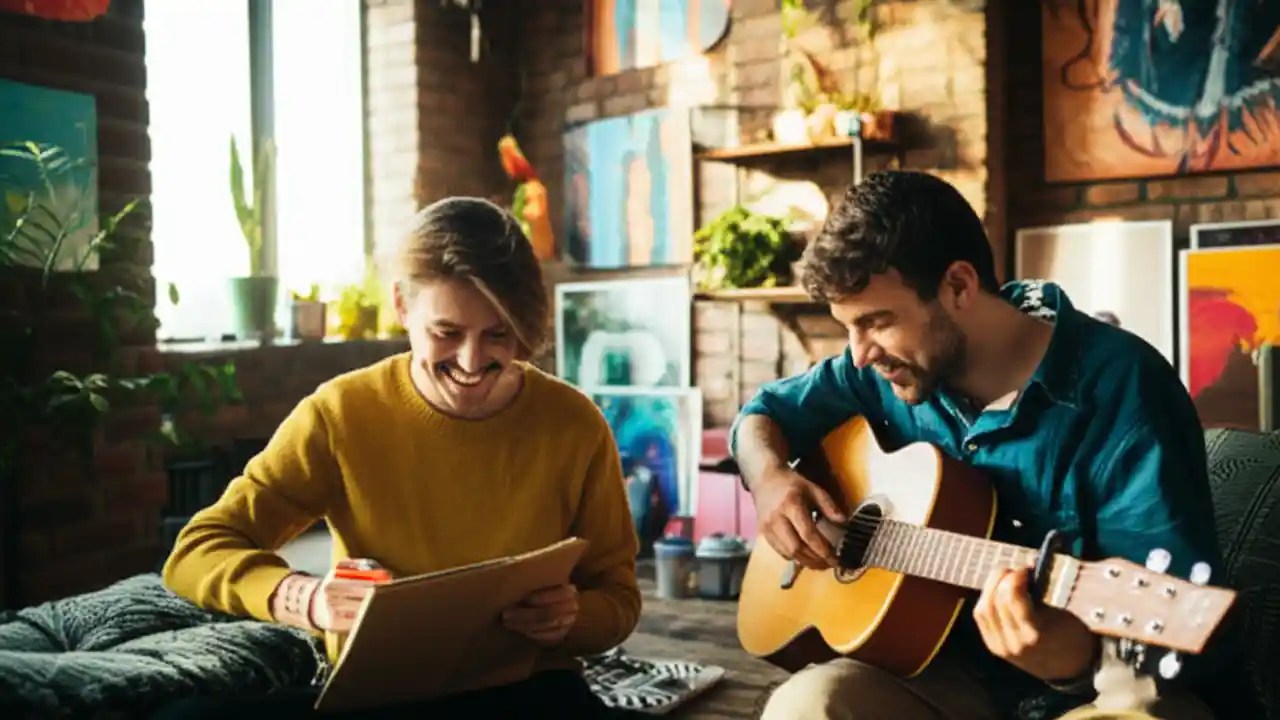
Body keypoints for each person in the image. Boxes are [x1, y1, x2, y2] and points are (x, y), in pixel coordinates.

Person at [731, 171, 1252, 720]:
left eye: (876, 322)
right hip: (939, 670)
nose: (859, 354)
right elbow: (761, 415)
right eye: (848, 328)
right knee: (810, 706)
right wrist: (769, 478)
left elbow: (1174, 627)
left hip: (1100, 685)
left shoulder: (1124, 388)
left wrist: (1068, 657)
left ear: (958, 286)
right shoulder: (881, 373)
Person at [155, 197, 642, 719]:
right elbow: (196, 551)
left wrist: (571, 617)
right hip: (383, 697)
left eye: (498, 334)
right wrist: (306, 598)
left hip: (527, 692)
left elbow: (618, 599)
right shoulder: (340, 413)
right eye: (446, 333)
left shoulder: (574, 423)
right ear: (403, 307)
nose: (473, 363)